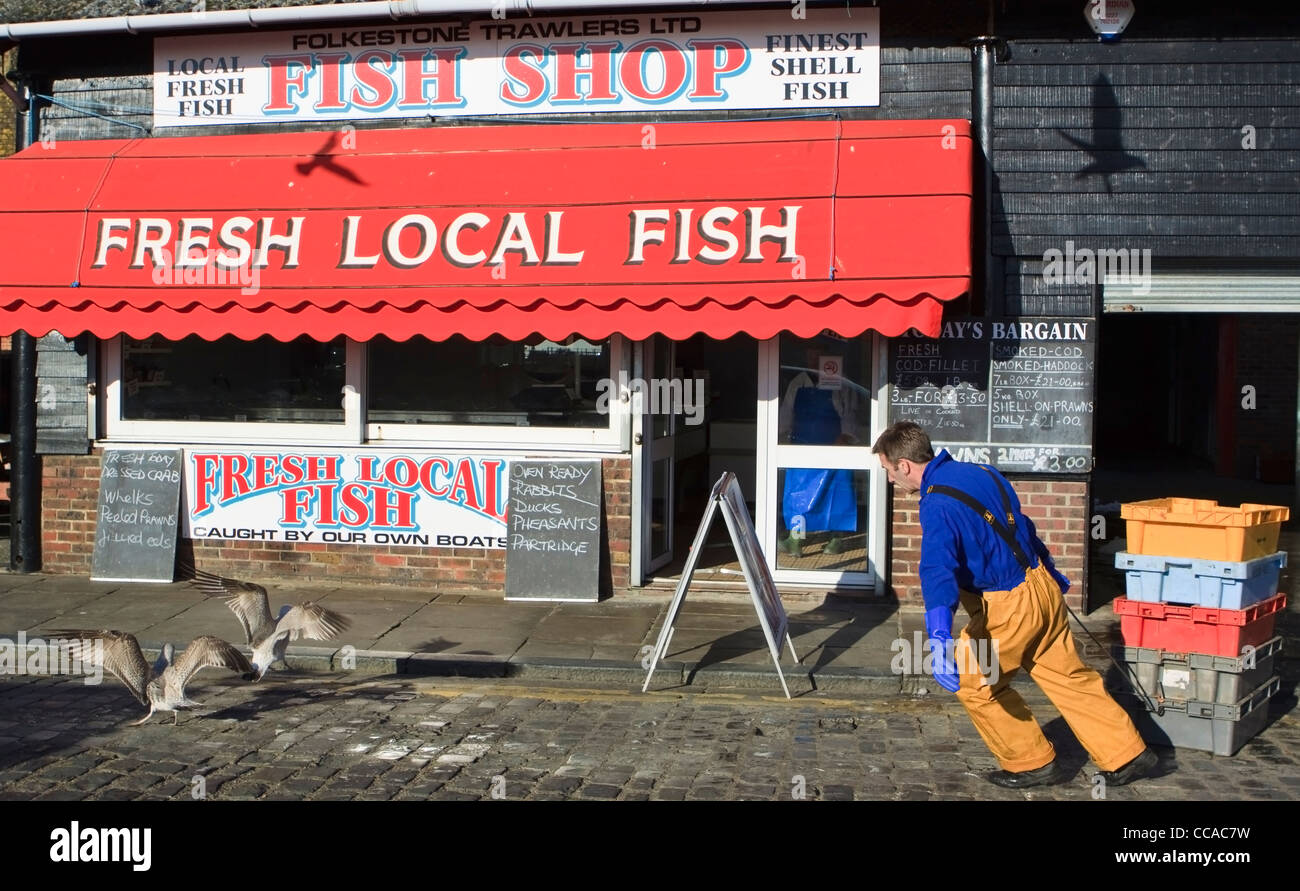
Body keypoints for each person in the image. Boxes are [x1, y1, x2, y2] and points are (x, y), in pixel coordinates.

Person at [871, 421, 1157, 789]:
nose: (891, 482)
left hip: (1007, 606)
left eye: (889, 473)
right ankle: (1127, 753)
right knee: (1068, 676)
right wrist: (1050, 573)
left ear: (904, 465)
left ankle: (1032, 762)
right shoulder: (982, 472)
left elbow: (937, 570)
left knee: (976, 684)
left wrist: (939, 636)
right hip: (1039, 584)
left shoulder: (937, 505)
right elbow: (1021, 525)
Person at [776, 354, 859, 557]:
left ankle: (836, 539)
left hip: (835, 447)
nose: (813, 360)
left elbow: (851, 413)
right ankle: (795, 540)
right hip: (802, 447)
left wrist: (845, 437)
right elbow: (786, 413)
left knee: (836, 494)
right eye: (810, 353)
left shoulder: (841, 382)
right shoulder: (798, 382)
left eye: (818, 353)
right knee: (798, 495)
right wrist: (779, 438)